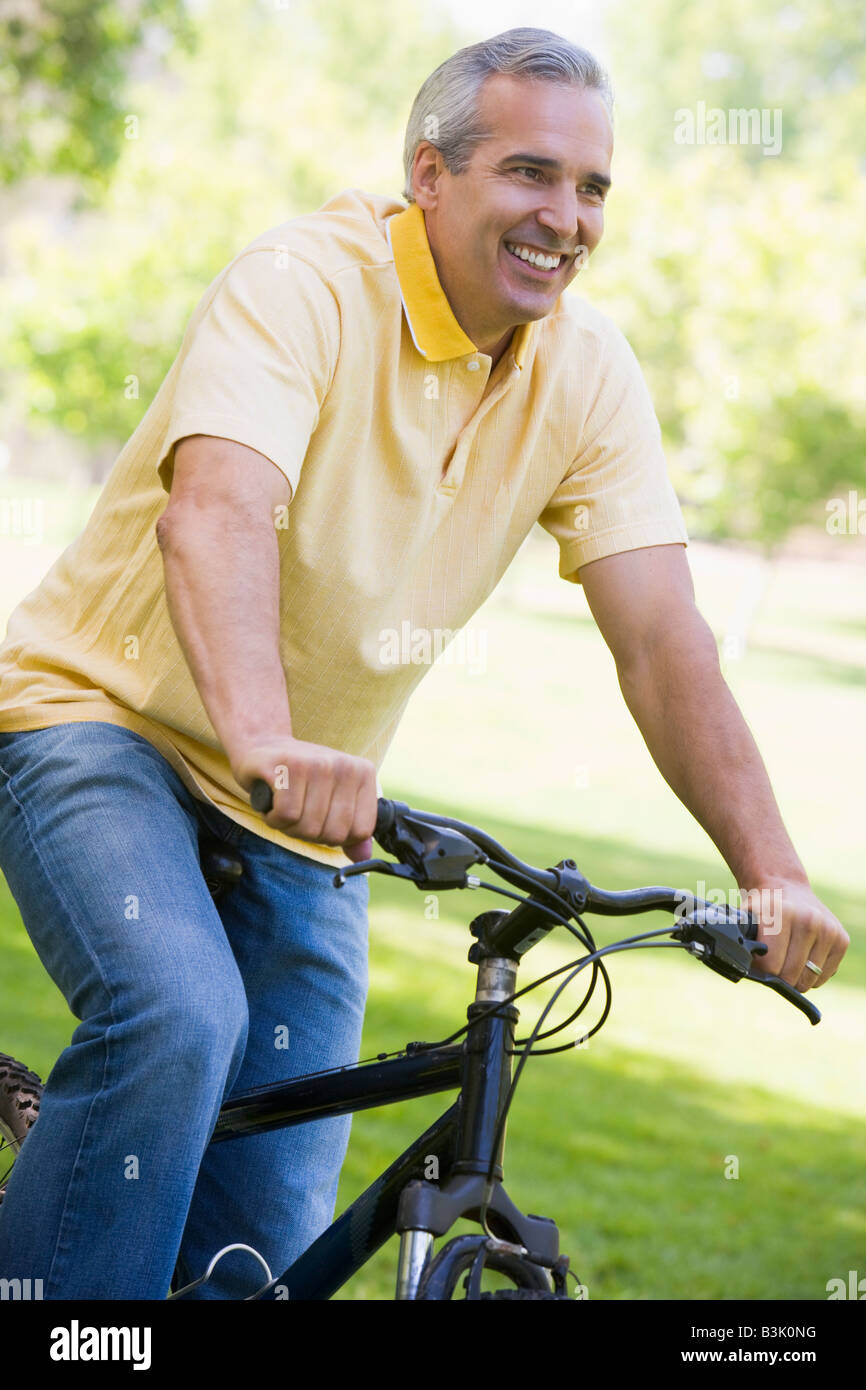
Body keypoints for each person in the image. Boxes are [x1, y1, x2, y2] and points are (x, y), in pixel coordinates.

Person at [0, 27, 848, 1300]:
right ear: (430, 175)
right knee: (178, 1013)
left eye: (592, 187)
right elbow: (216, 513)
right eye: (529, 175)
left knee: (258, 1253)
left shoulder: (588, 375)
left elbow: (663, 643)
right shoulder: (300, 284)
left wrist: (768, 871)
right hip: (99, 724)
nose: (564, 217)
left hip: (301, 810)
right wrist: (264, 741)